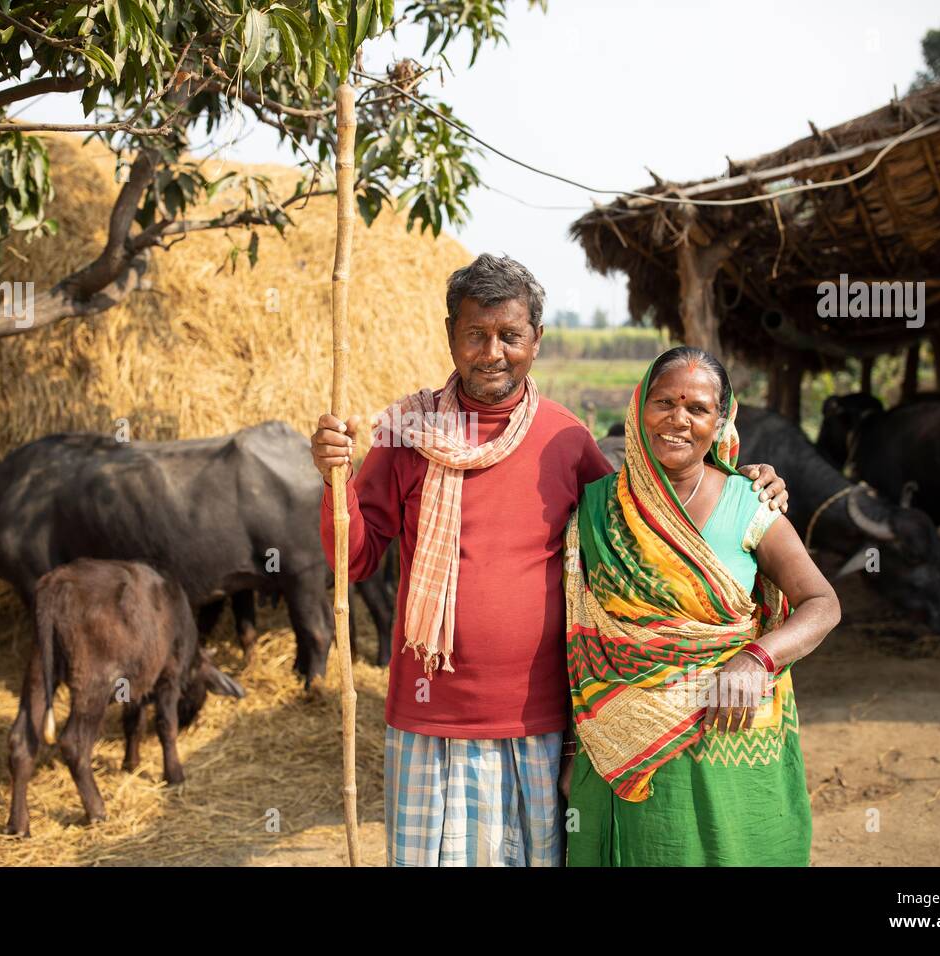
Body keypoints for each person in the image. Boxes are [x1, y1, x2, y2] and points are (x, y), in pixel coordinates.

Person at [309, 255, 791, 867]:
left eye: (510, 335)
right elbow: (352, 562)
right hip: (430, 713)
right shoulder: (406, 432)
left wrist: (744, 484)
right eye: (475, 334)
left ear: (536, 339)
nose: (492, 352)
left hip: (539, 721)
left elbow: (638, 525)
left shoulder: (565, 438)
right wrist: (336, 483)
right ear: (450, 334)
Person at [562, 346, 841, 866]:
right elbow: (580, 638)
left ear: (722, 420)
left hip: (730, 737)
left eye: (698, 408)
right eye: (663, 402)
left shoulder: (749, 503)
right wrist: (572, 749)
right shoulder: (598, 508)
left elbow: (822, 602)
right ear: (638, 406)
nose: (678, 420)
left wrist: (756, 658)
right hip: (618, 748)